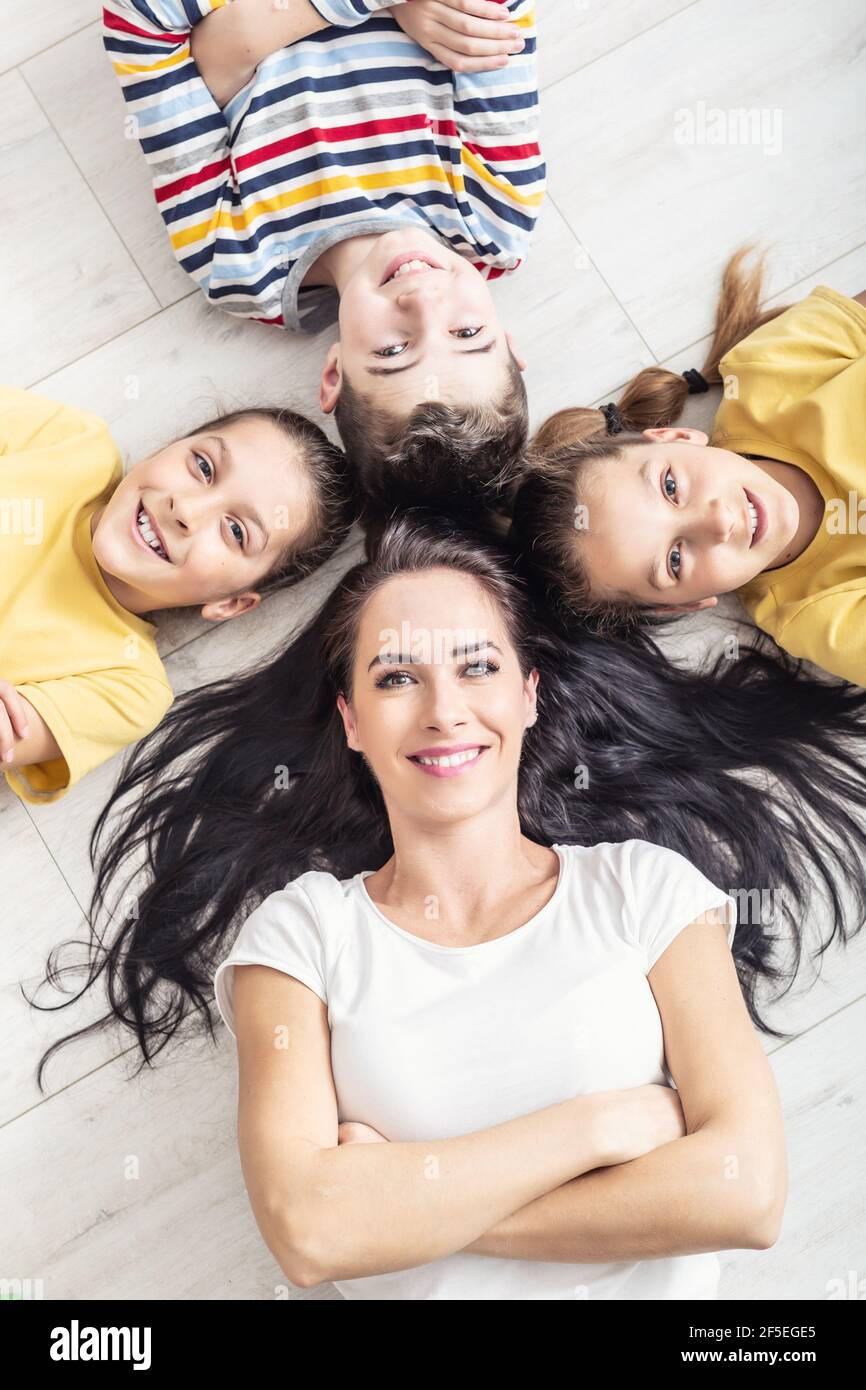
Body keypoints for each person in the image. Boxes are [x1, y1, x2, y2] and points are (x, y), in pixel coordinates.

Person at [37, 513, 805, 1298]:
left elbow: (747, 1194)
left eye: (477, 667)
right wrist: (601, 1128)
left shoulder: (646, 890)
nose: (444, 709)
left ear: (529, 694)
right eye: (397, 677)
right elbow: (310, 1233)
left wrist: (400, 1208)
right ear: (353, 721)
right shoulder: (302, 939)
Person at [102, 0, 545, 494]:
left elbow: (140, 24)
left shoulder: (237, 264)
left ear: (334, 372)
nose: (422, 301)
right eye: (466, 333)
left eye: (394, 349)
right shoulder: (495, 214)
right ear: (508, 341)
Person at [510, 248, 866, 691]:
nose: (718, 520)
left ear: (676, 437)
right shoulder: (817, 616)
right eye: (675, 560)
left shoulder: (774, 366)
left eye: (671, 485)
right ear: (686, 604)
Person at [0, 386, 353, 802]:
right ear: (165, 449)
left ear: (231, 603)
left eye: (236, 531)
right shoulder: (71, 442)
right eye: (203, 467)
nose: (186, 510)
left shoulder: (128, 687)